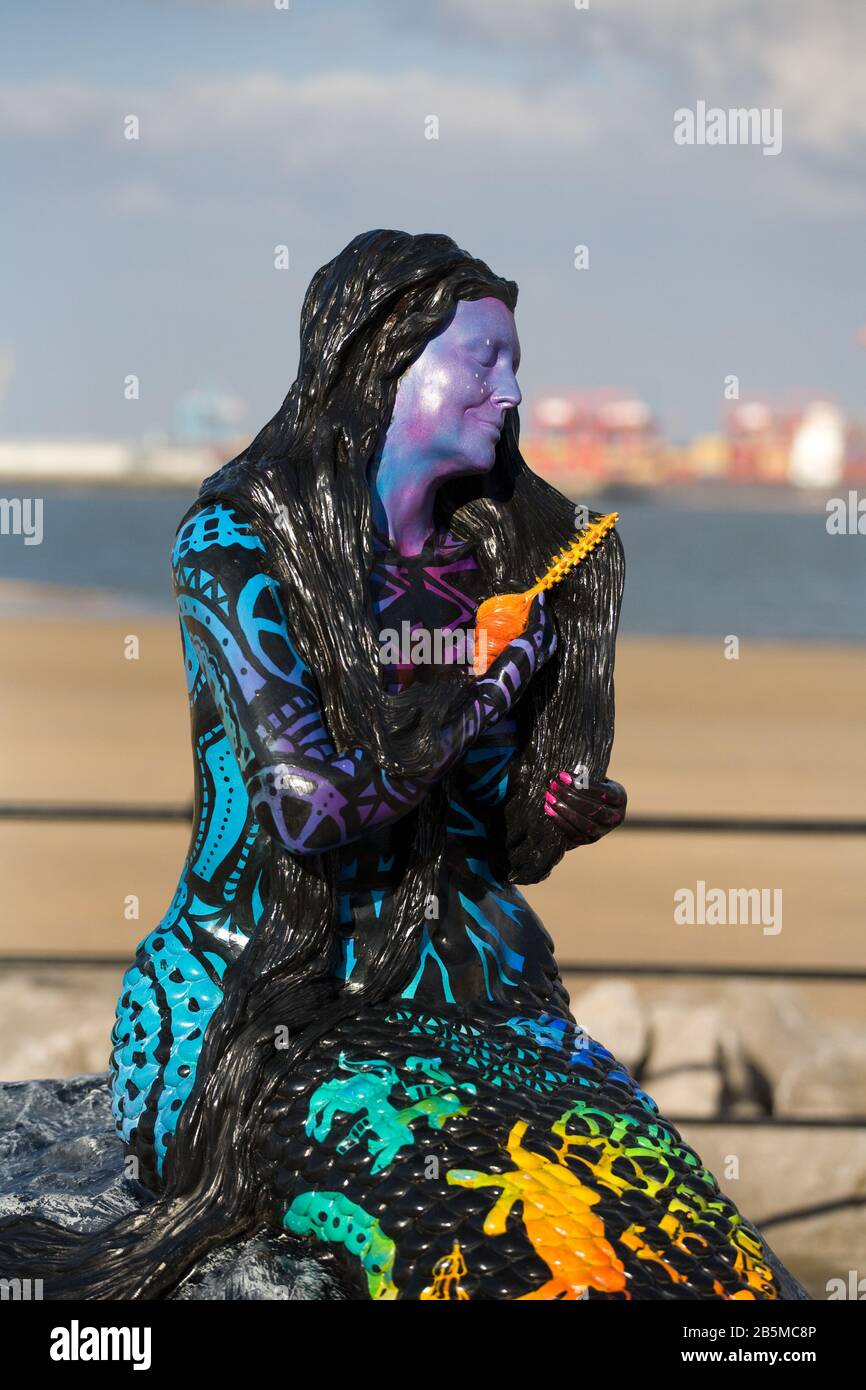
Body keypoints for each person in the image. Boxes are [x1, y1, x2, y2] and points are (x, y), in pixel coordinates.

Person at [0, 230, 807, 1300]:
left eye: (515, 362)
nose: (509, 390)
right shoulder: (246, 539)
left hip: (484, 1002)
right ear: (380, 356)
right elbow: (310, 805)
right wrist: (481, 689)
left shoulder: (509, 563)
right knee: (499, 1251)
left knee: (697, 1258)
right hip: (270, 1008)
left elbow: (499, 850)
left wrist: (552, 809)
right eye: (483, 360)